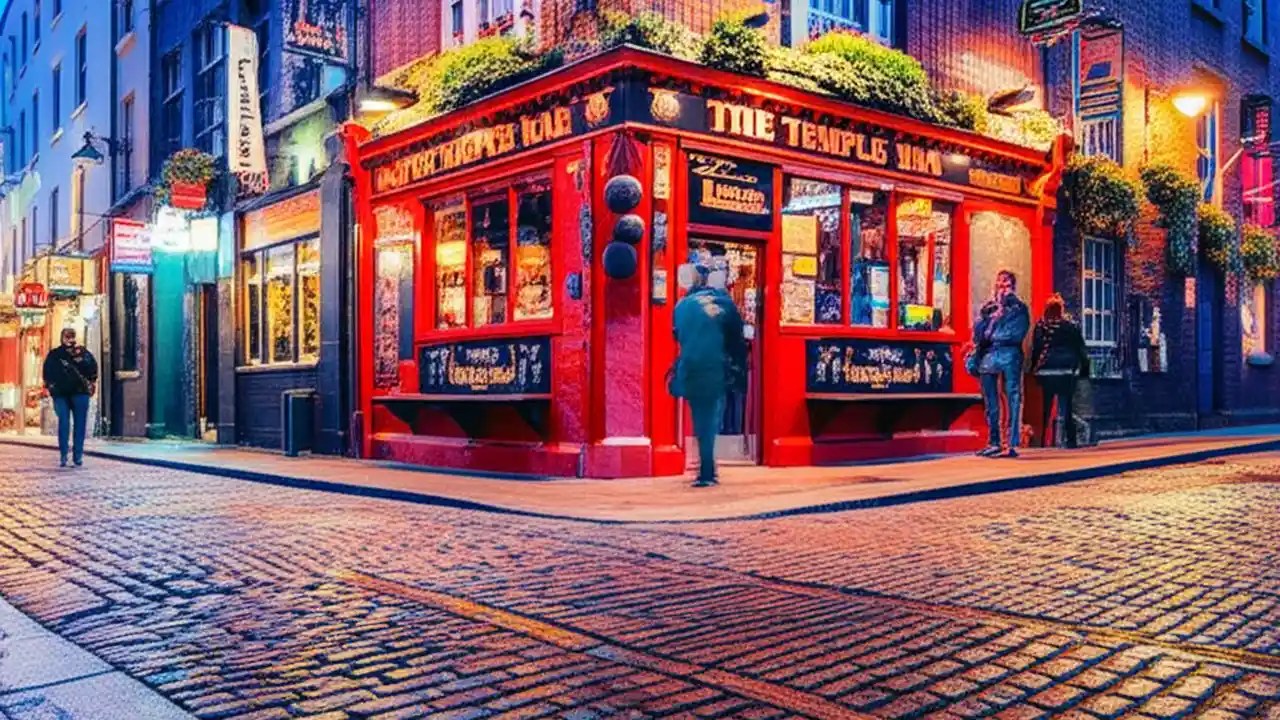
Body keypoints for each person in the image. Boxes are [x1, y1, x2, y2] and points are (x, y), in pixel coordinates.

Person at [670, 264, 746, 487]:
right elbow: (737, 341)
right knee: (711, 419)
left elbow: (676, 334)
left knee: (700, 417)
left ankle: (705, 467)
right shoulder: (726, 305)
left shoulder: (682, 306)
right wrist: (738, 373)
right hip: (716, 368)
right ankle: (707, 471)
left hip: (691, 367)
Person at [972, 270, 1030, 458]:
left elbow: (1016, 333)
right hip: (990, 354)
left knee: (1013, 395)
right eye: (999, 285)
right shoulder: (990, 308)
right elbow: (978, 332)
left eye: (1006, 286)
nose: (1002, 290)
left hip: (1010, 354)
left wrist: (992, 334)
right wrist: (985, 319)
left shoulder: (1019, 308)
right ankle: (994, 441)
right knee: (990, 399)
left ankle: (1011, 443)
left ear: (1012, 288)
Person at [1031, 293, 1089, 448]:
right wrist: (1084, 370)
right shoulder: (1070, 326)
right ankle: (1070, 441)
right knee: (1067, 407)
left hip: (1047, 370)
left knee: (1046, 408)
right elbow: (1080, 348)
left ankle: (1043, 441)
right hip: (1066, 370)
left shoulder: (1041, 326)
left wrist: (1033, 369)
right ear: (1061, 309)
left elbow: (1036, 349)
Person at [43, 327, 98, 468]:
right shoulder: (55, 354)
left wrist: (90, 380)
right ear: (62, 338)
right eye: (67, 336)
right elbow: (47, 372)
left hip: (80, 392)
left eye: (72, 336)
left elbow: (92, 369)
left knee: (80, 425)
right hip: (61, 394)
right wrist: (51, 387)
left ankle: (78, 455)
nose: (69, 339)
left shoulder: (83, 353)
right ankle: (63, 454)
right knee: (64, 422)